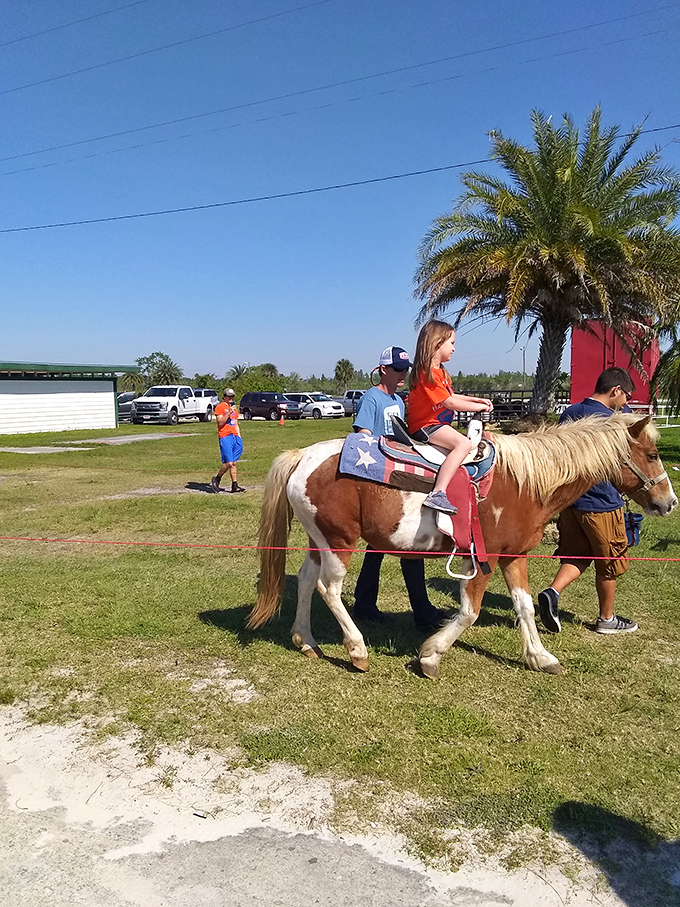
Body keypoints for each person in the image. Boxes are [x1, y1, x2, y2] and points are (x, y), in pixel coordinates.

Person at [352, 345, 450, 632]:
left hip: (398, 475)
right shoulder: (372, 398)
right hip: (379, 476)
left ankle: (366, 603)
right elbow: (362, 436)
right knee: (407, 544)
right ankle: (420, 610)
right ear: (383, 369)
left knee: (381, 546)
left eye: (405, 370)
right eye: (397, 370)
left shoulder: (398, 400)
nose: (402, 375)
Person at [537, 367, 637, 635]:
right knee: (610, 563)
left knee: (578, 554)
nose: (626, 403)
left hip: (570, 502)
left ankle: (552, 592)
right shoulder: (612, 422)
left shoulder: (571, 412)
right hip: (603, 502)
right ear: (615, 390)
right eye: (626, 396)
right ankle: (607, 618)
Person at [407, 320, 493, 513]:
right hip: (426, 425)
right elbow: (450, 403)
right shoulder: (426, 372)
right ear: (437, 343)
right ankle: (438, 493)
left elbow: (452, 396)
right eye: (451, 343)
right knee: (463, 444)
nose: (454, 349)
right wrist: (476, 406)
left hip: (436, 424)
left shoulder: (440, 373)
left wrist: (479, 401)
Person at [211, 388, 245, 494]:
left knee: (234, 462)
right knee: (229, 463)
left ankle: (234, 485)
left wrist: (239, 436)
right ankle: (217, 478)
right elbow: (220, 422)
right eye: (229, 396)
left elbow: (235, 423)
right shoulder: (220, 407)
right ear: (224, 397)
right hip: (225, 436)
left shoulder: (235, 409)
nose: (231, 399)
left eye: (232, 396)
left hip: (234, 436)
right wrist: (228, 413)